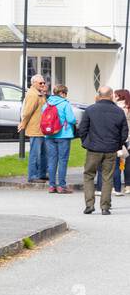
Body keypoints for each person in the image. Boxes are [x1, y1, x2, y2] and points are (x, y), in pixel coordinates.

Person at [76, 86, 129, 215]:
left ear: (99, 95)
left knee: (89, 175)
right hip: (111, 148)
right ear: (111, 95)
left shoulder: (90, 110)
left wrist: (86, 143)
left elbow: (82, 129)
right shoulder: (118, 111)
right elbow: (124, 132)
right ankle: (105, 206)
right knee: (107, 177)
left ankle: (89, 204)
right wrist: (118, 145)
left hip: (93, 148)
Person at [42, 84, 78, 194]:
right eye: (65, 93)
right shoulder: (65, 104)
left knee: (52, 160)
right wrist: (75, 122)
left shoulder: (47, 103)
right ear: (62, 93)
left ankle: (52, 186)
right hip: (63, 135)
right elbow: (70, 119)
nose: (66, 95)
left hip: (49, 135)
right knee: (63, 161)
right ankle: (62, 186)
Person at [18, 74, 49, 183]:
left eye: (44, 83)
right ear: (34, 83)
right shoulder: (33, 95)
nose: (43, 85)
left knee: (44, 153)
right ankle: (33, 175)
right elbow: (27, 112)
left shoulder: (39, 94)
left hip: (42, 129)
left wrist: (45, 93)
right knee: (35, 153)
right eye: (41, 83)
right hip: (35, 129)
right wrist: (23, 123)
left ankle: (41, 173)